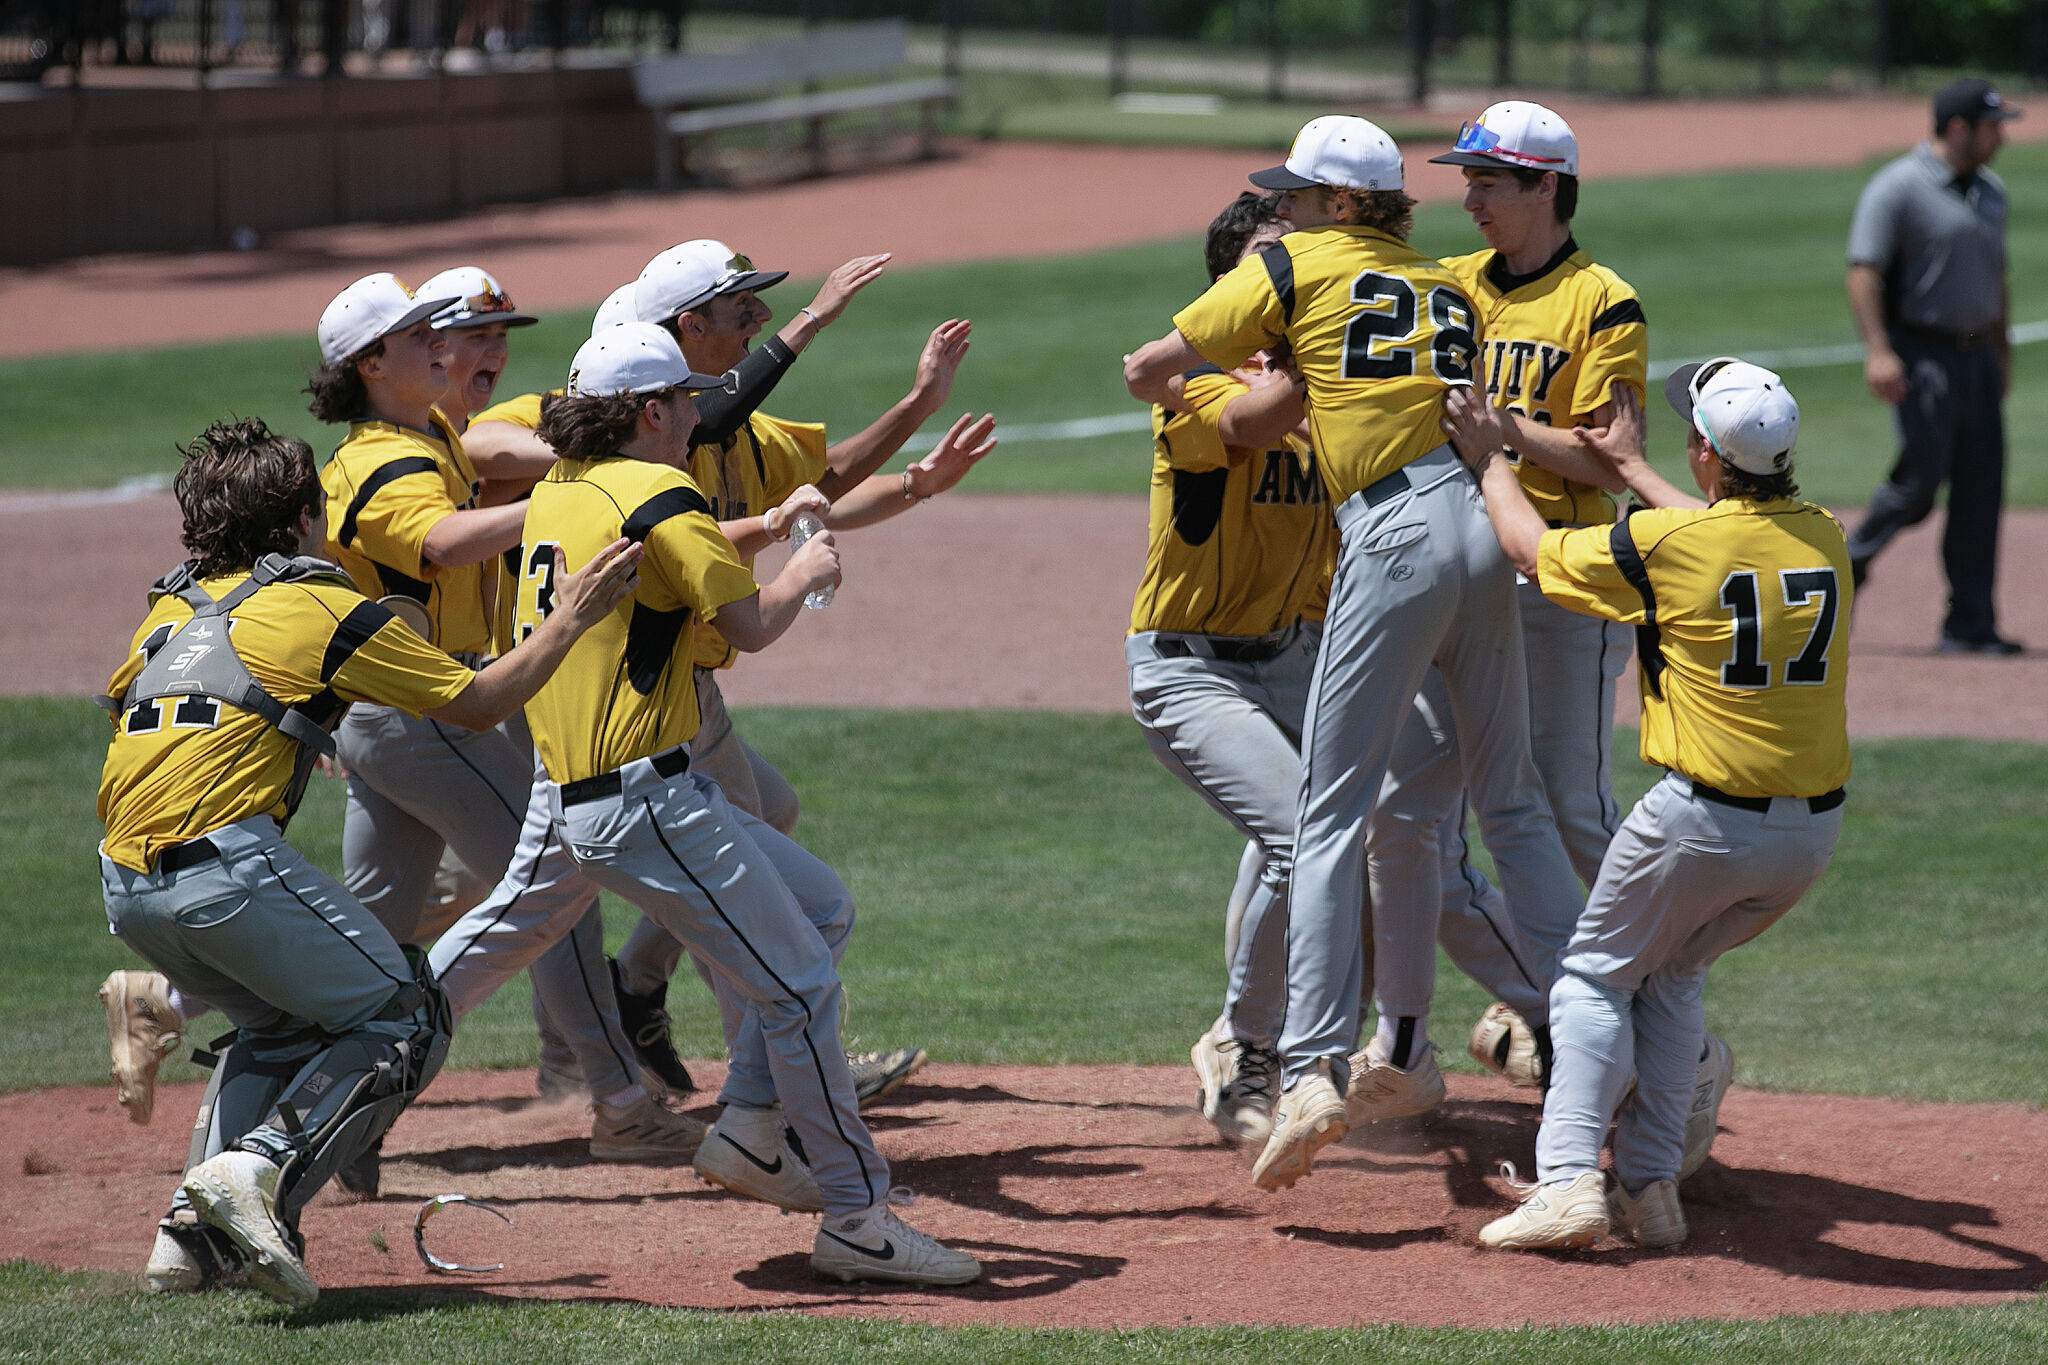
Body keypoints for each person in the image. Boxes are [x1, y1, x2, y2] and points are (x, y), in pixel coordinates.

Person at [1125, 115, 1583, 1193]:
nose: (1277, 212)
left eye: (1292, 195)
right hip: (1483, 523)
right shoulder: (1445, 282)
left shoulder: (1292, 262)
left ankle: (1310, 1065)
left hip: (1392, 537)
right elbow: (1291, 408)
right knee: (1503, 806)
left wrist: (1260, 336)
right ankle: (1592, 1030)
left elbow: (1150, 366)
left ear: (1334, 204)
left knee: (1328, 818)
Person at [98, 417, 639, 1305]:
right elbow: (475, 700)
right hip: (223, 867)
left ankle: (190, 1242)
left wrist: (290, 719)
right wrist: (572, 615)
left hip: (126, 881)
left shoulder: (167, 612)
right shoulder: (320, 602)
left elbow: (140, 716)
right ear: (308, 516)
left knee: (281, 1025)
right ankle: (259, 1173)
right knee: (406, 1013)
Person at [511, 320, 980, 1284]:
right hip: (645, 800)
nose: (700, 415)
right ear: (650, 411)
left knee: (820, 908)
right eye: (686, 399)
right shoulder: (659, 488)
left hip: (619, 790)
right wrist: (804, 565)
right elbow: (752, 626)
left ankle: (754, 1125)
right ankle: (858, 1215)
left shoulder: (561, 492)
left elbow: (673, 560)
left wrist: (767, 527)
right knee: (802, 986)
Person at [1445, 358, 1849, 1251]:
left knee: (1592, 976)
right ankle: (1649, 1185)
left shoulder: (1671, 547)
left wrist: (1489, 459)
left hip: (1701, 823)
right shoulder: (1824, 536)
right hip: (1808, 837)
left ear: (1706, 453)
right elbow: (1717, 531)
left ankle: (1563, 1184)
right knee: (1672, 978)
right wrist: (1629, 468)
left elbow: (1529, 552)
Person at [310, 270, 703, 1166]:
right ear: (371, 364)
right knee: (553, 898)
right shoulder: (381, 456)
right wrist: (571, 503)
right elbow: (440, 542)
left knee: (374, 931)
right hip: (433, 709)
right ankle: (621, 1103)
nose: (440, 342)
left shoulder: (428, 430)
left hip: (386, 715)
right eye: (419, 335)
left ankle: (332, 1106)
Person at [604, 239, 989, 1101]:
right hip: (637, 705)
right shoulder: (657, 439)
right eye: (744, 308)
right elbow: (758, 516)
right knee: (742, 881)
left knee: (758, 827)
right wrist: (817, 318)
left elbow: (830, 474)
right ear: (680, 334)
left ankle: (643, 1002)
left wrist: (922, 433)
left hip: (686, 698)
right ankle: (756, 1067)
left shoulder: (733, 431)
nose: (763, 320)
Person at [1127, 192, 1334, 1144]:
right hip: (1190, 666)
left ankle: (1378, 1041)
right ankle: (1245, 1042)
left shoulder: (1322, 368)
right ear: (1227, 287)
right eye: (1269, 262)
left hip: (1294, 654)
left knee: (1340, 831)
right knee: (1303, 833)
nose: (1288, 275)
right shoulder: (1197, 379)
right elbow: (1260, 422)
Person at [1844, 77, 2022, 655]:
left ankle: (1969, 625)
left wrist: (2002, 350)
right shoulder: (1897, 188)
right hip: (1923, 355)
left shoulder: (1991, 193)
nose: (2002, 139)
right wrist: (1878, 350)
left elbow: (1996, 280)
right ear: (1959, 128)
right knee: (1920, 481)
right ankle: (1846, 565)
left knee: (1979, 488)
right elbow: (1864, 271)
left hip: (1977, 359)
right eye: (1994, 127)